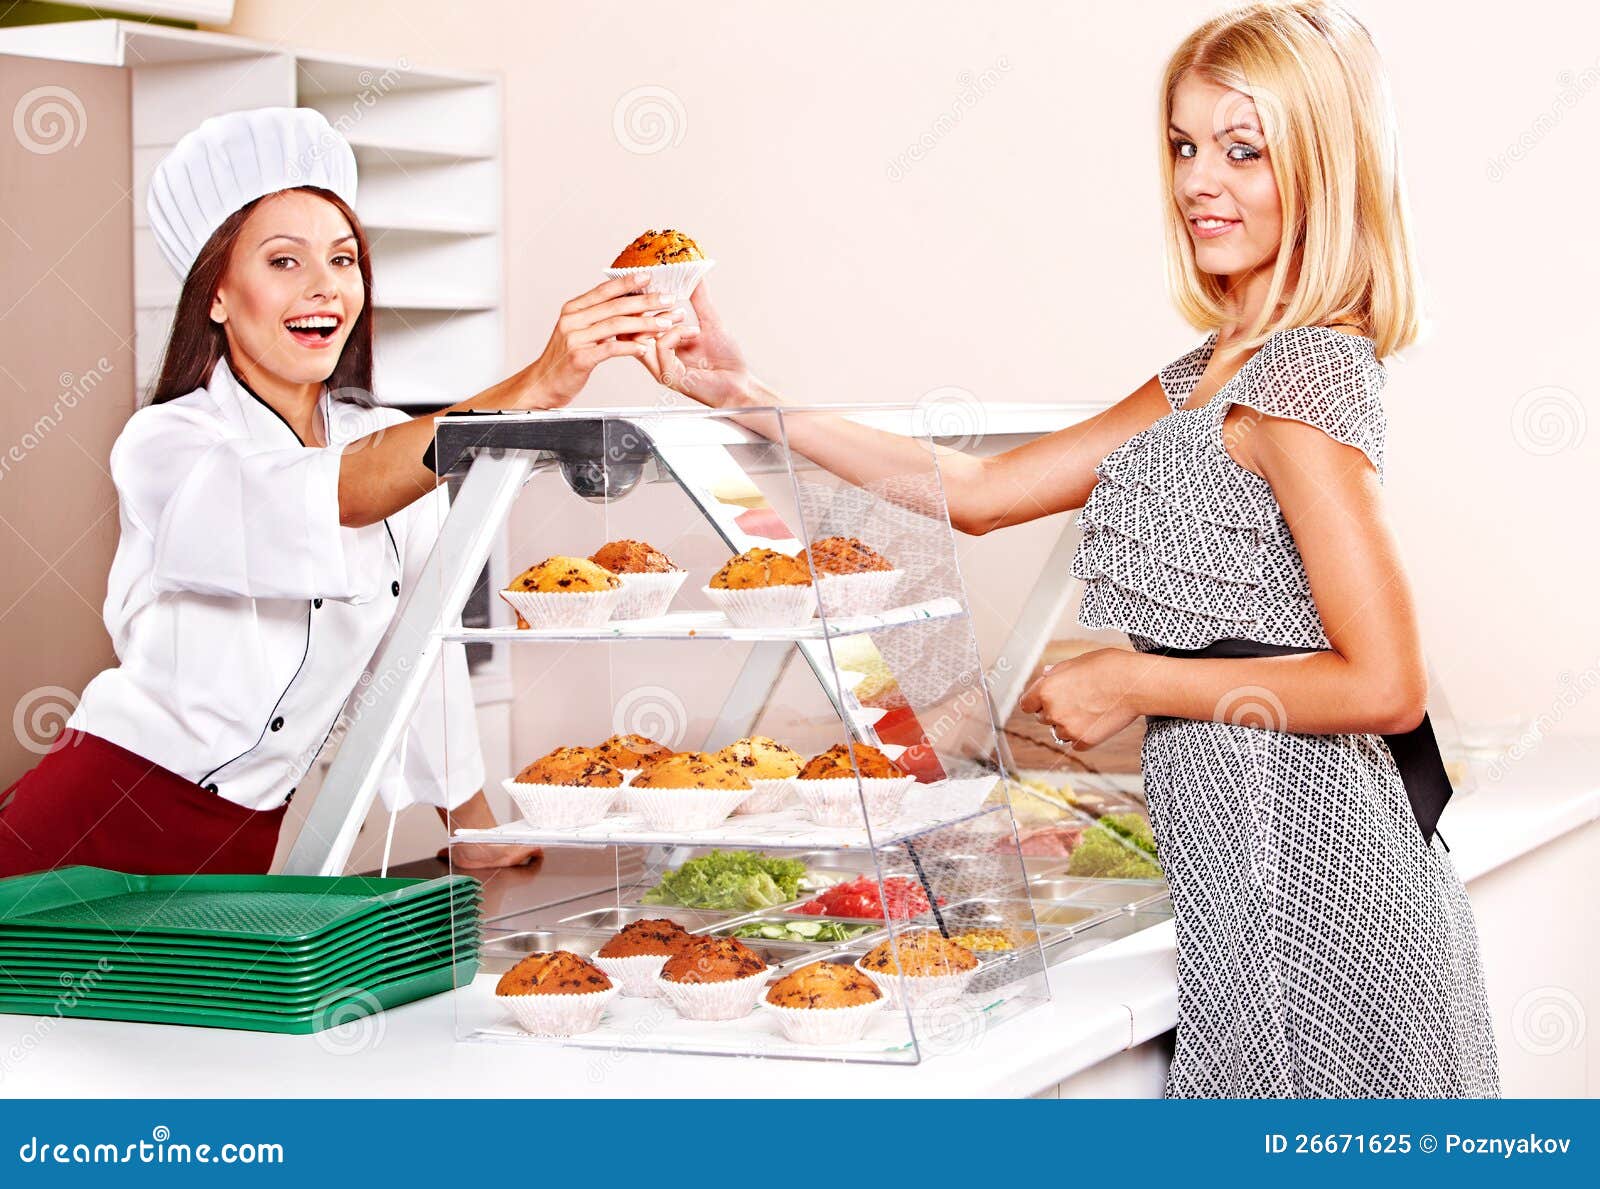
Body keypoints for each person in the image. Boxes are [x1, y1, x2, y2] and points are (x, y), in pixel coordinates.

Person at [639, 2, 1499, 1097]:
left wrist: (1132, 678)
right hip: (1247, 870)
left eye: (1244, 150)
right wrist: (748, 399)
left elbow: (1386, 684)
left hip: (1316, 870)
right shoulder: (1209, 370)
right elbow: (987, 492)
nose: (1198, 181)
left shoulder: (1302, 375)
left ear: (1324, 173)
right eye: (1186, 146)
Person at [0, 107, 680, 878]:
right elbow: (326, 498)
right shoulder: (166, 445)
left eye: (344, 260)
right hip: (101, 805)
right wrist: (533, 385)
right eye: (284, 262)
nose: (325, 288)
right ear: (216, 296)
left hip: (245, 833)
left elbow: (416, 648)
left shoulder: (390, 439)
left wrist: (473, 824)